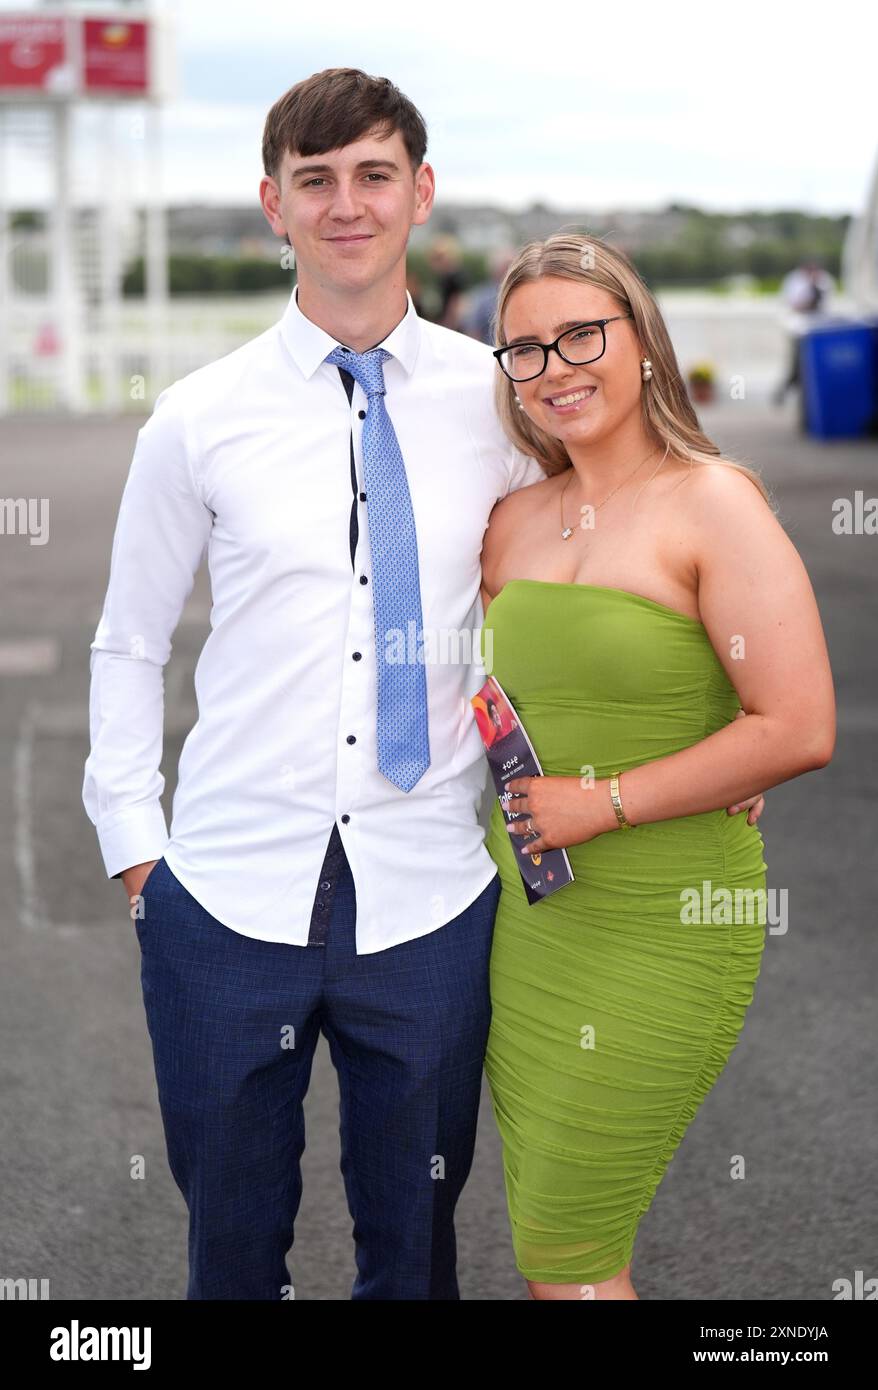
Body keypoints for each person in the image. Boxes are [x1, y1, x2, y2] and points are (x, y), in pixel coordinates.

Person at [82, 68, 766, 1302]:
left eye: (374, 175)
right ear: (272, 206)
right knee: (229, 1252)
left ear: (420, 193)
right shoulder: (193, 420)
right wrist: (140, 855)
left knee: (418, 1253)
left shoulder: (503, 399)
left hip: (434, 903)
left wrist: (711, 728)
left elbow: (608, 559)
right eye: (316, 181)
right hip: (225, 900)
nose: (346, 204)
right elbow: (128, 643)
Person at [479, 232, 836, 1301]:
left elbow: (797, 725)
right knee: (556, 1241)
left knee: (567, 1251)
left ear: (641, 343)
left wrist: (608, 799)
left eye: (581, 333)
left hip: (665, 921)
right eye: (525, 349)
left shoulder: (713, 502)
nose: (555, 367)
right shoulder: (509, 520)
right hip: (528, 923)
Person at [772, 258, 836, 407]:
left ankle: (791, 394)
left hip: (818, 329)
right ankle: (784, 393)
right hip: (798, 329)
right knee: (797, 365)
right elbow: (794, 304)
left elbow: (825, 304)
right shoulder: (794, 280)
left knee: (805, 368)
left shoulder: (824, 280)